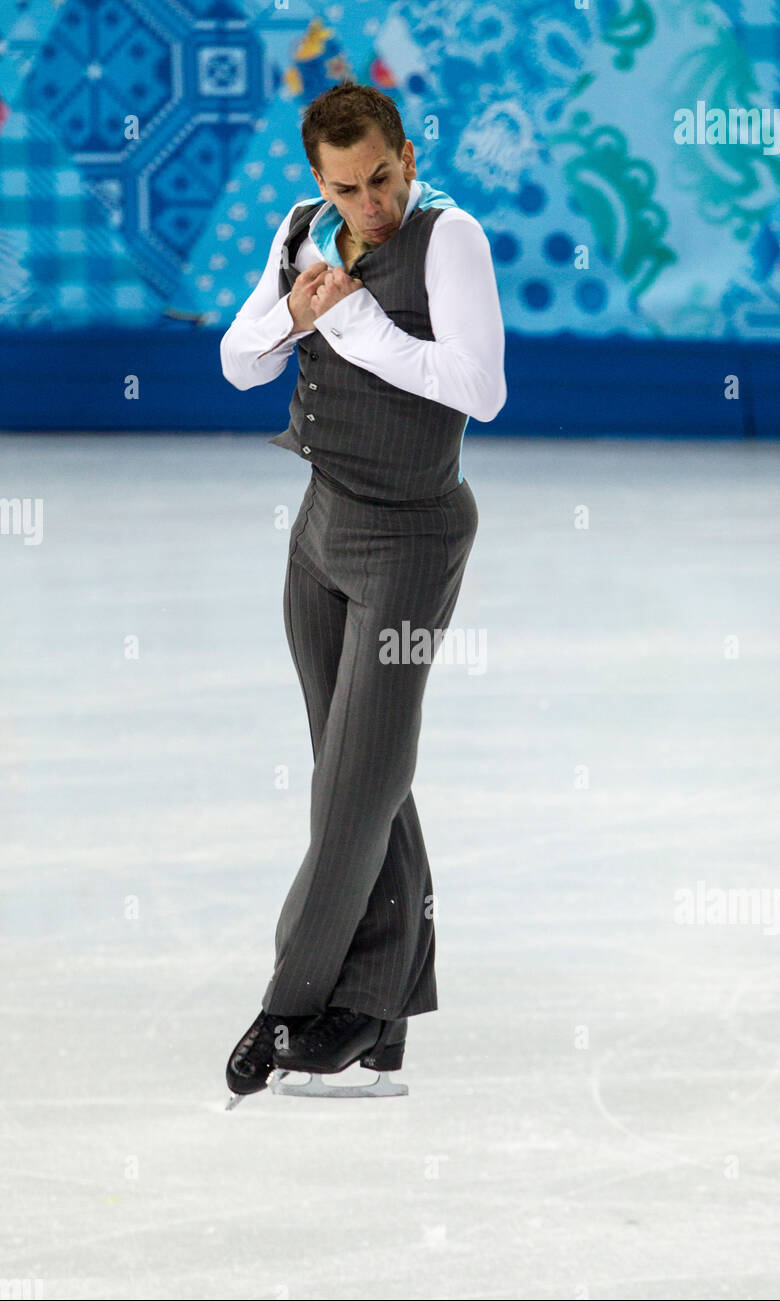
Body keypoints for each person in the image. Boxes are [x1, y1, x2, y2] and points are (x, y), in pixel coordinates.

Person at [219, 81, 506, 1100]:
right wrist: (294, 311)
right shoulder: (302, 231)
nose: (370, 205)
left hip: (409, 545)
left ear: (405, 155)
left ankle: (295, 1008)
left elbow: (481, 387)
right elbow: (239, 362)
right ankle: (381, 1013)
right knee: (361, 777)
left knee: (351, 795)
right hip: (319, 537)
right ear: (318, 182)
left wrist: (351, 329)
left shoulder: (449, 238)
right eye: (348, 188)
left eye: (382, 177)